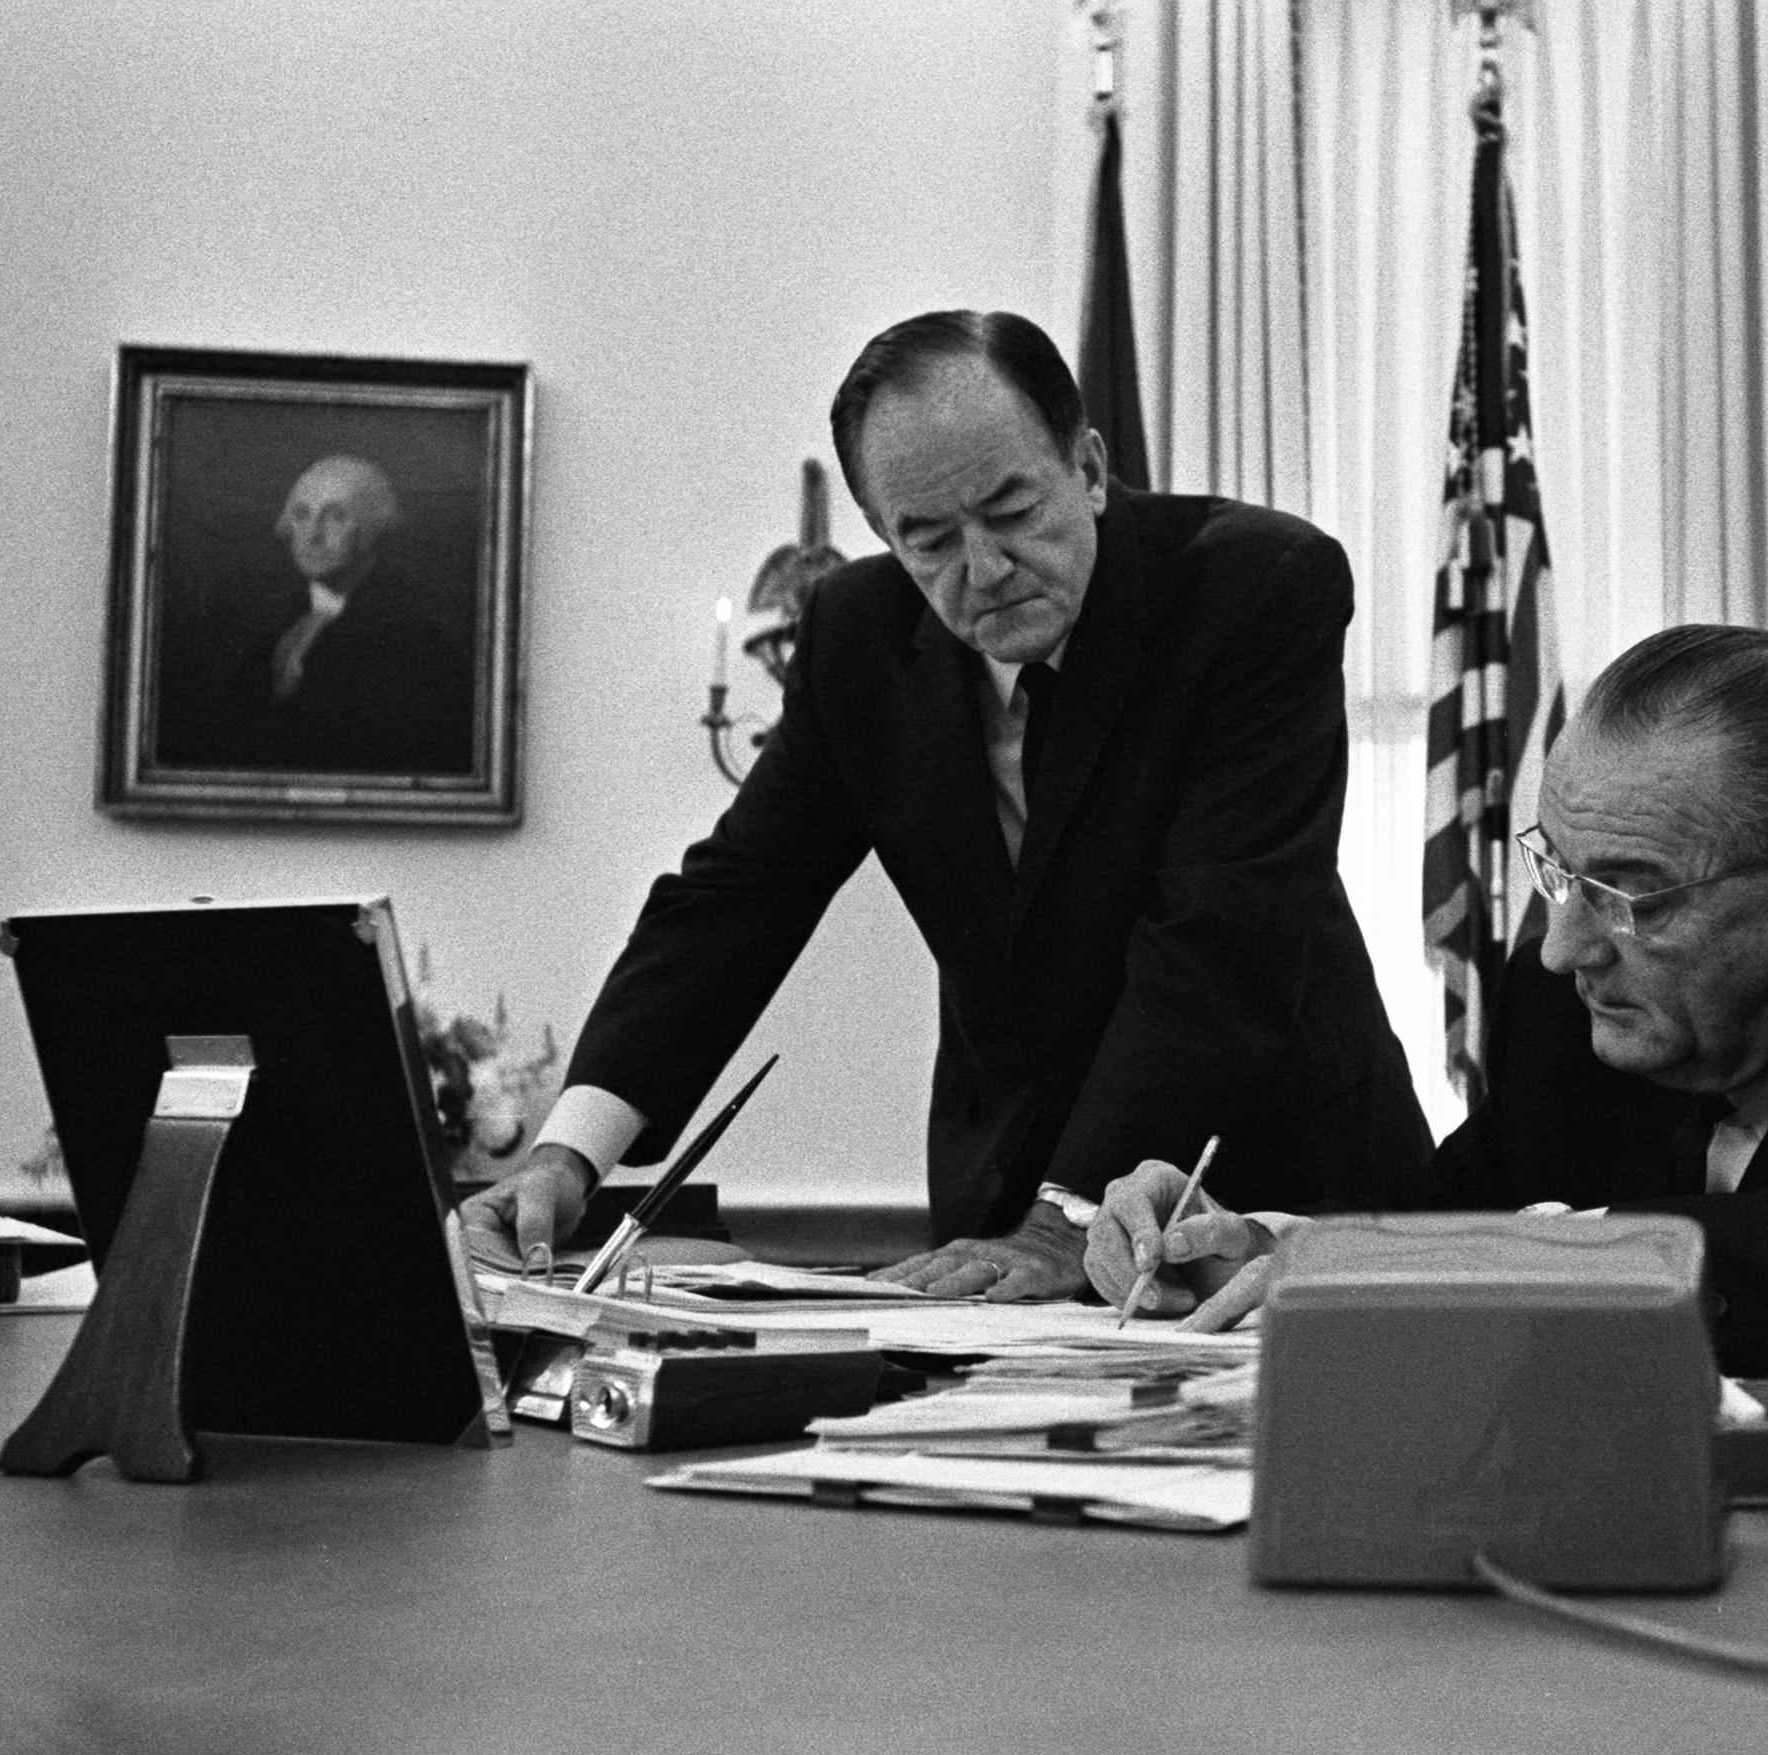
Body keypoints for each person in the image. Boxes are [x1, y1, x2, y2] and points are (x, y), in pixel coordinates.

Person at [461, 310, 1432, 1296]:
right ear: (882, 535)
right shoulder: (856, 639)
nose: (983, 569)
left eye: (1011, 511)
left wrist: (1070, 1219)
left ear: (1089, 469)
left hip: (1267, 1189)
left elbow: (1217, 943)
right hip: (1000, 1215)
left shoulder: (1254, 586)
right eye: (926, 539)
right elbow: (731, 902)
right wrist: (564, 1157)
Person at [1085, 623, 1768, 1373]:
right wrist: (1270, 1250)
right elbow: (1445, 1222)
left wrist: (1510, 1262)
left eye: (1630, 894)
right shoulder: (1575, 1008)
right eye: (1559, 873)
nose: (1563, 949)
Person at [194, 454, 474, 775]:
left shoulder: (416, 646)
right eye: (301, 514)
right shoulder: (268, 633)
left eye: (335, 516)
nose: (312, 534)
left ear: (372, 530)